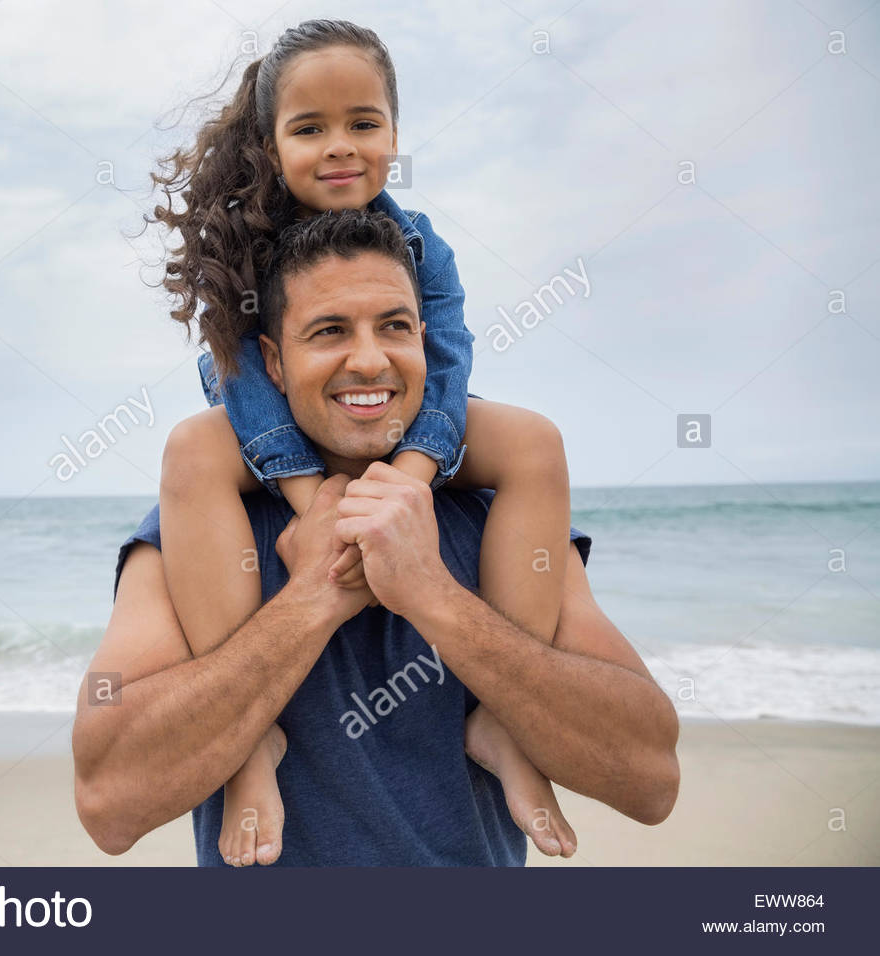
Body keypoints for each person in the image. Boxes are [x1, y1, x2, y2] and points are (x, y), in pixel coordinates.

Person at [71, 208, 680, 867]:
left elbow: (650, 778)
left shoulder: (502, 516)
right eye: (329, 332)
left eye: (393, 327)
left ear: (426, 341)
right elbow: (110, 801)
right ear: (273, 363)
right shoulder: (197, 527)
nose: (369, 360)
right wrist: (314, 595)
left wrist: (433, 596)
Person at [145, 18, 574, 865]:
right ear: (271, 146)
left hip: (414, 424)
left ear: (395, 134)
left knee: (531, 442)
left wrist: (412, 475)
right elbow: (238, 375)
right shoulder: (247, 242)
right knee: (193, 450)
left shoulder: (423, 245)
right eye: (309, 129)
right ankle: (250, 745)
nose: (339, 148)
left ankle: (501, 721)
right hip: (275, 430)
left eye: (362, 124)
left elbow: (445, 360)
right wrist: (313, 499)